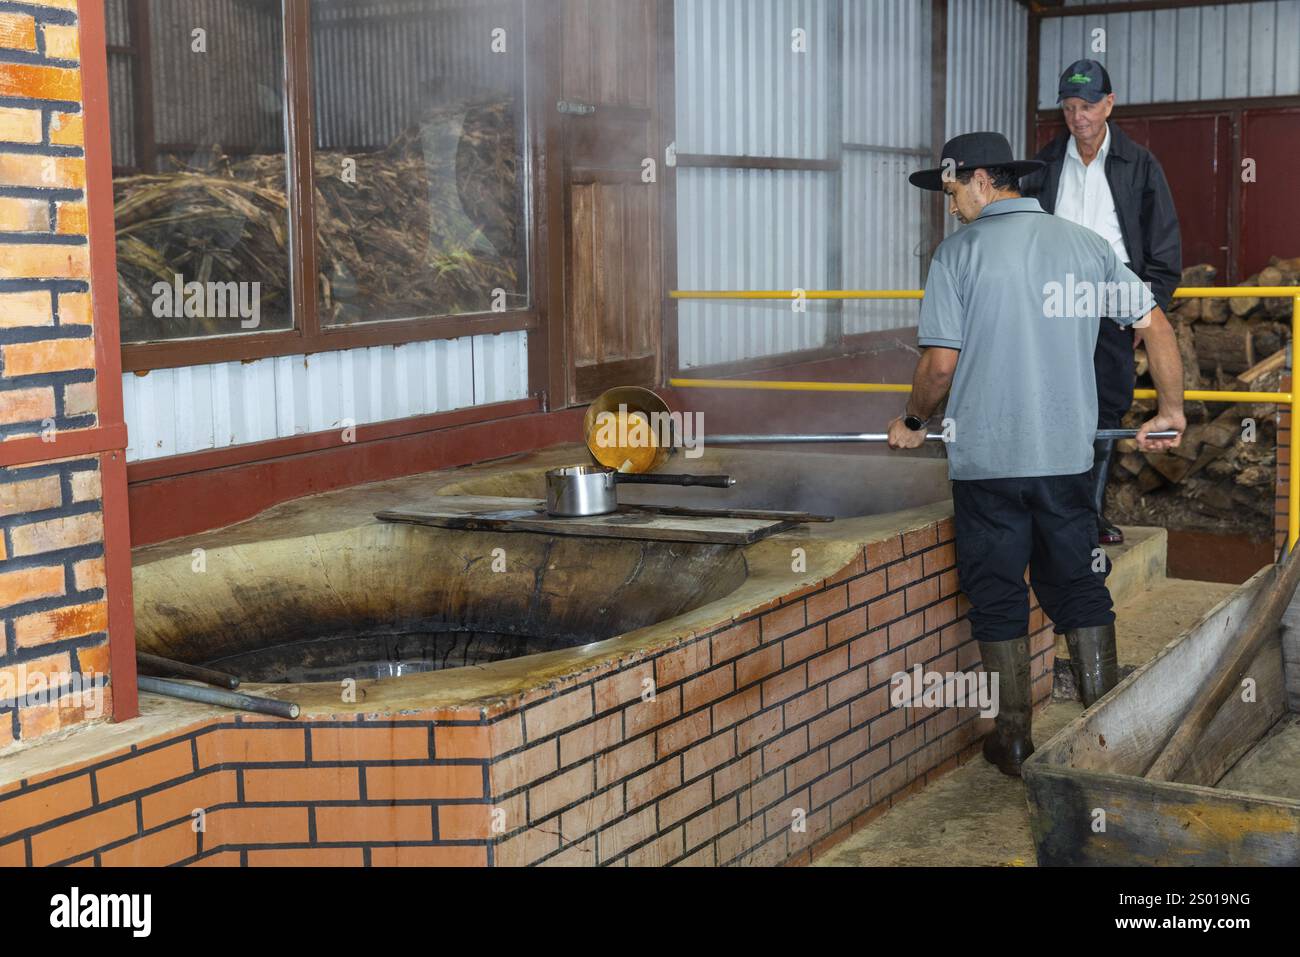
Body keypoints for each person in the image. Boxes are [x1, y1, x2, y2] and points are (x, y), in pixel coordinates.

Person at [887, 132, 1186, 776]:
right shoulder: (1085, 246)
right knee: (1077, 585)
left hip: (988, 465)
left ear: (983, 180)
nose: (951, 205)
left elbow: (940, 366)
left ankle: (1014, 739)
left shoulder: (956, 256)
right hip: (1064, 460)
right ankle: (1111, 733)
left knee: (997, 595)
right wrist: (1171, 412)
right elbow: (1153, 322)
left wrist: (913, 420)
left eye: (952, 189)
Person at [1022, 59, 1183, 546]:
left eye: (1088, 106)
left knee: (1105, 413)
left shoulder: (1140, 165)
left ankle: (1088, 515)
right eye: (1069, 108)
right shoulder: (1045, 165)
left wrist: (1147, 310)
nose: (1079, 117)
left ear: (1109, 104)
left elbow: (1164, 248)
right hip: (1054, 307)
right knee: (1050, 408)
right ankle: (1050, 516)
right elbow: (1024, 237)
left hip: (1114, 307)